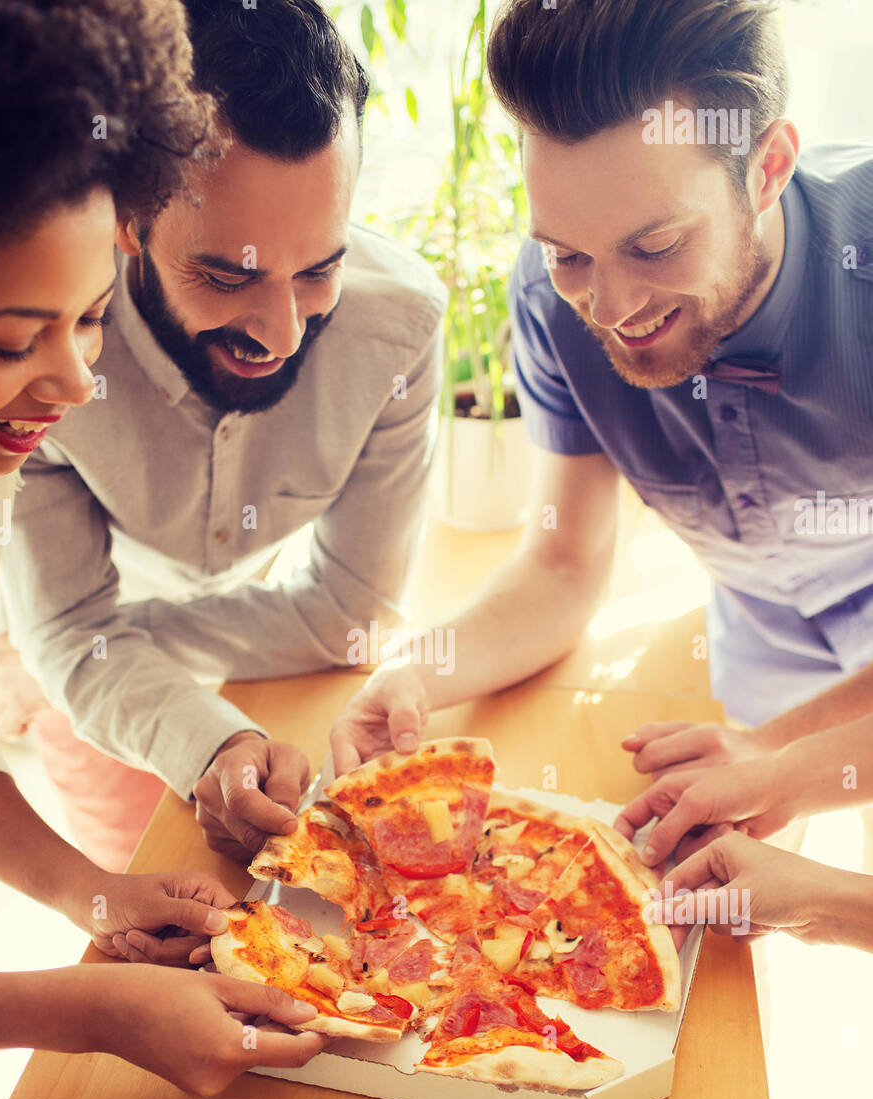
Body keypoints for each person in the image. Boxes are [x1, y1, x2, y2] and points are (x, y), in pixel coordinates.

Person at [0, 0, 323, 1099]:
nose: (74, 382)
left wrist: (90, 895)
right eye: (10, 340)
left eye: (92, 318)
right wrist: (89, 1011)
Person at [327, 0, 873, 868]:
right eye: (568, 253)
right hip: (751, 658)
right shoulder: (550, 305)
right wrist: (414, 674)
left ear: (766, 167)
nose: (609, 311)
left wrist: (786, 755)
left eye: (654, 245)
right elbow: (563, 564)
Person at [0, 0, 447, 871]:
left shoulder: (400, 330)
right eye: (225, 275)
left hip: (235, 665)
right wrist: (87, 665)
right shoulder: (41, 349)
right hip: (80, 701)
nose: (280, 333)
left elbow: (352, 618)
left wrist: (87, 643)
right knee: (138, 906)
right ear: (127, 222)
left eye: (320, 268)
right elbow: (70, 644)